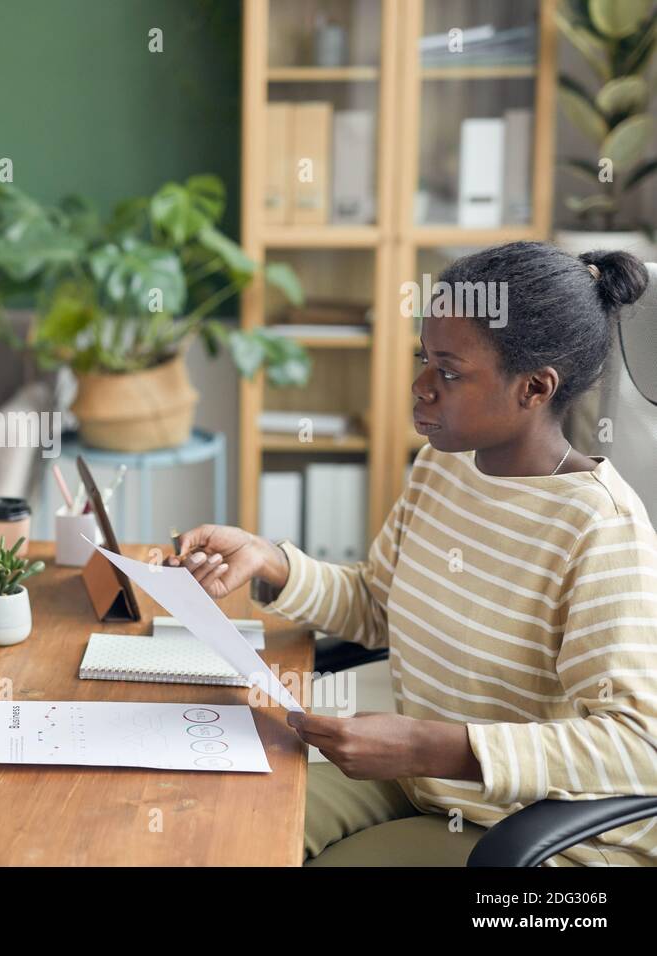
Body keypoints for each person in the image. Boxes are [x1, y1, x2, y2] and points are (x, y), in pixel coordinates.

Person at [171, 242, 657, 866]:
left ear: (534, 388)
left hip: (541, 832)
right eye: (423, 359)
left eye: (449, 372)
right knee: (215, 834)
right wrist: (271, 560)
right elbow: (379, 604)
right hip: (429, 785)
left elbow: (639, 747)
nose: (420, 387)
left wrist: (432, 747)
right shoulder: (442, 468)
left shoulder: (600, 530)